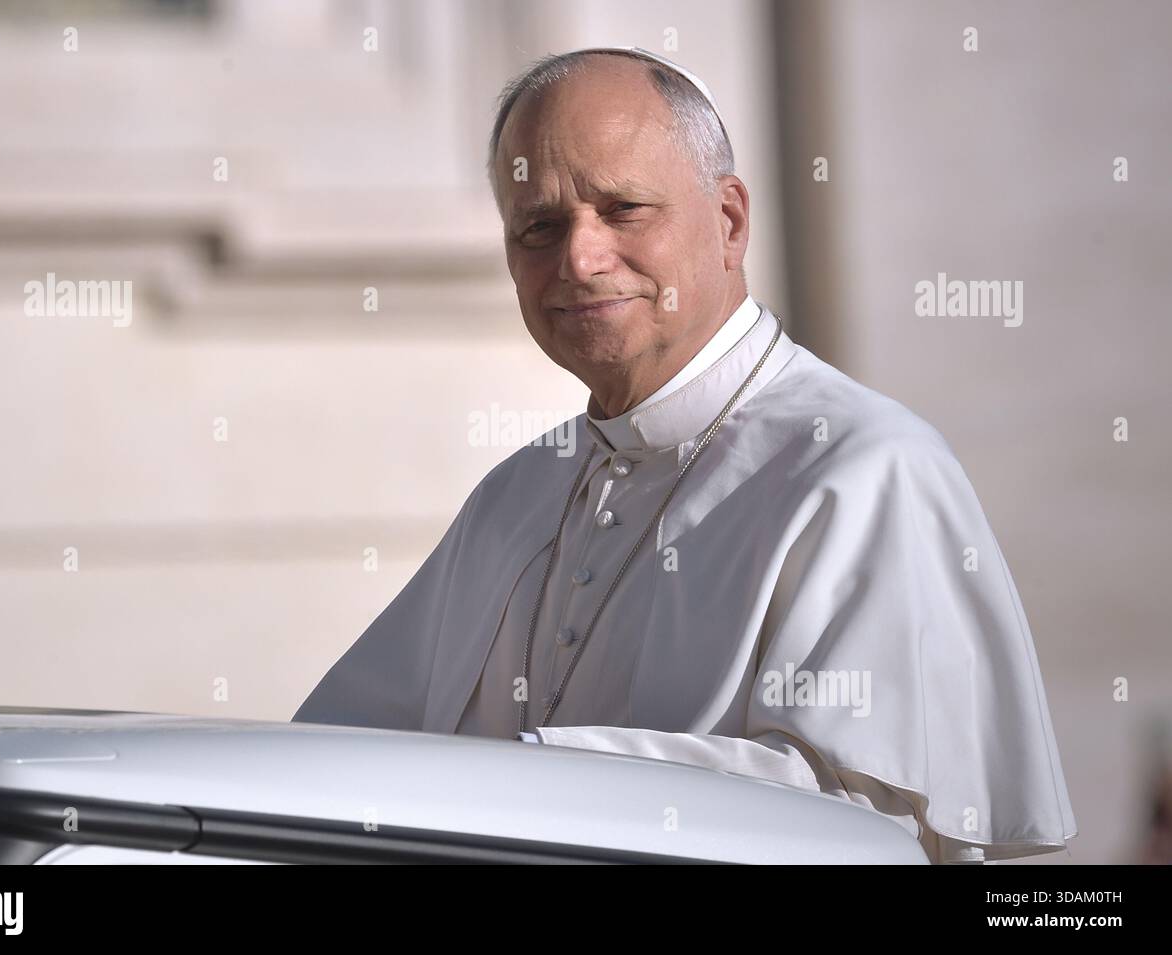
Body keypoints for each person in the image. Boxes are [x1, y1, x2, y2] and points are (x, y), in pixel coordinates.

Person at [293, 47, 1077, 864]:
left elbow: (858, 829)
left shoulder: (864, 469)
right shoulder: (516, 493)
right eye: (539, 226)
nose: (579, 260)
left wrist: (524, 778)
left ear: (729, 222)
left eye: (623, 208)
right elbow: (343, 763)